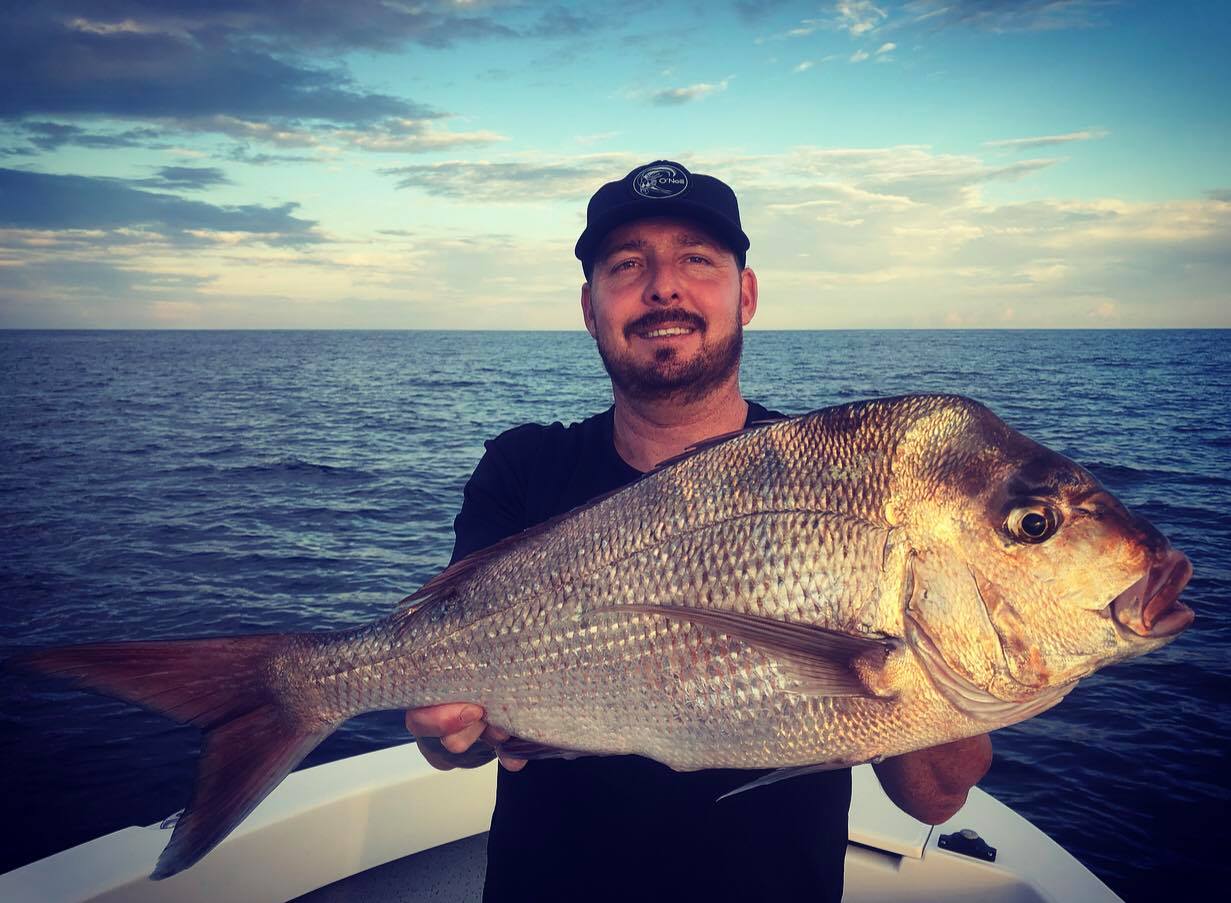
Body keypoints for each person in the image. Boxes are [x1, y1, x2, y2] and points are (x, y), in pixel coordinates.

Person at [405, 160, 993, 901]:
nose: (663, 286)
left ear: (744, 294)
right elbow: (449, 715)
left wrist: (909, 648)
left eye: (697, 259)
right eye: (626, 265)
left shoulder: (841, 479)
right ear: (589, 308)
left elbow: (935, 799)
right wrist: (445, 734)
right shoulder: (522, 467)